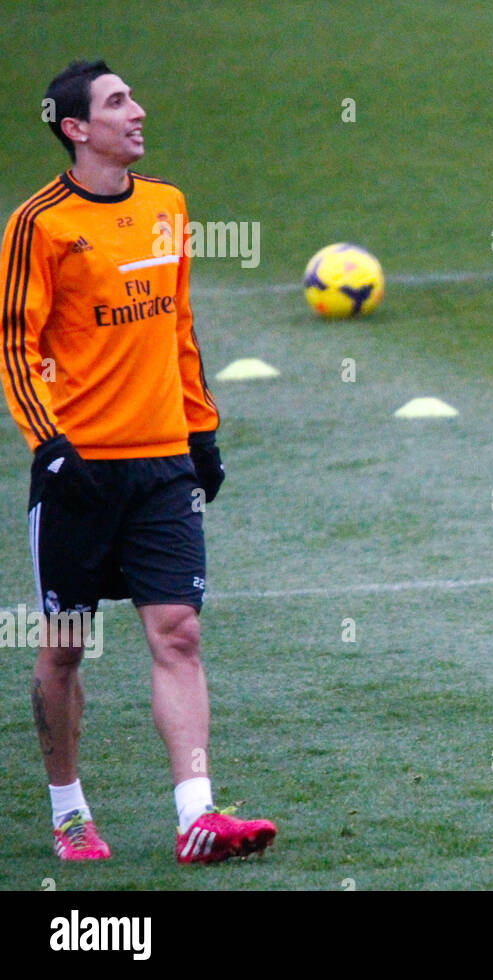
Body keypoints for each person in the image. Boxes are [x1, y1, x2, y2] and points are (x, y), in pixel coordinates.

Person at [2, 59, 277, 863]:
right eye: (118, 103)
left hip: (163, 466)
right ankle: (67, 810)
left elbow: (178, 326)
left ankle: (197, 814)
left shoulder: (167, 206)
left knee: (178, 632)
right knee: (64, 645)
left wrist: (202, 431)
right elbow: (15, 342)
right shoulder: (40, 225)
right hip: (78, 470)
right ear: (75, 128)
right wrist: (47, 446)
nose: (139, 111)